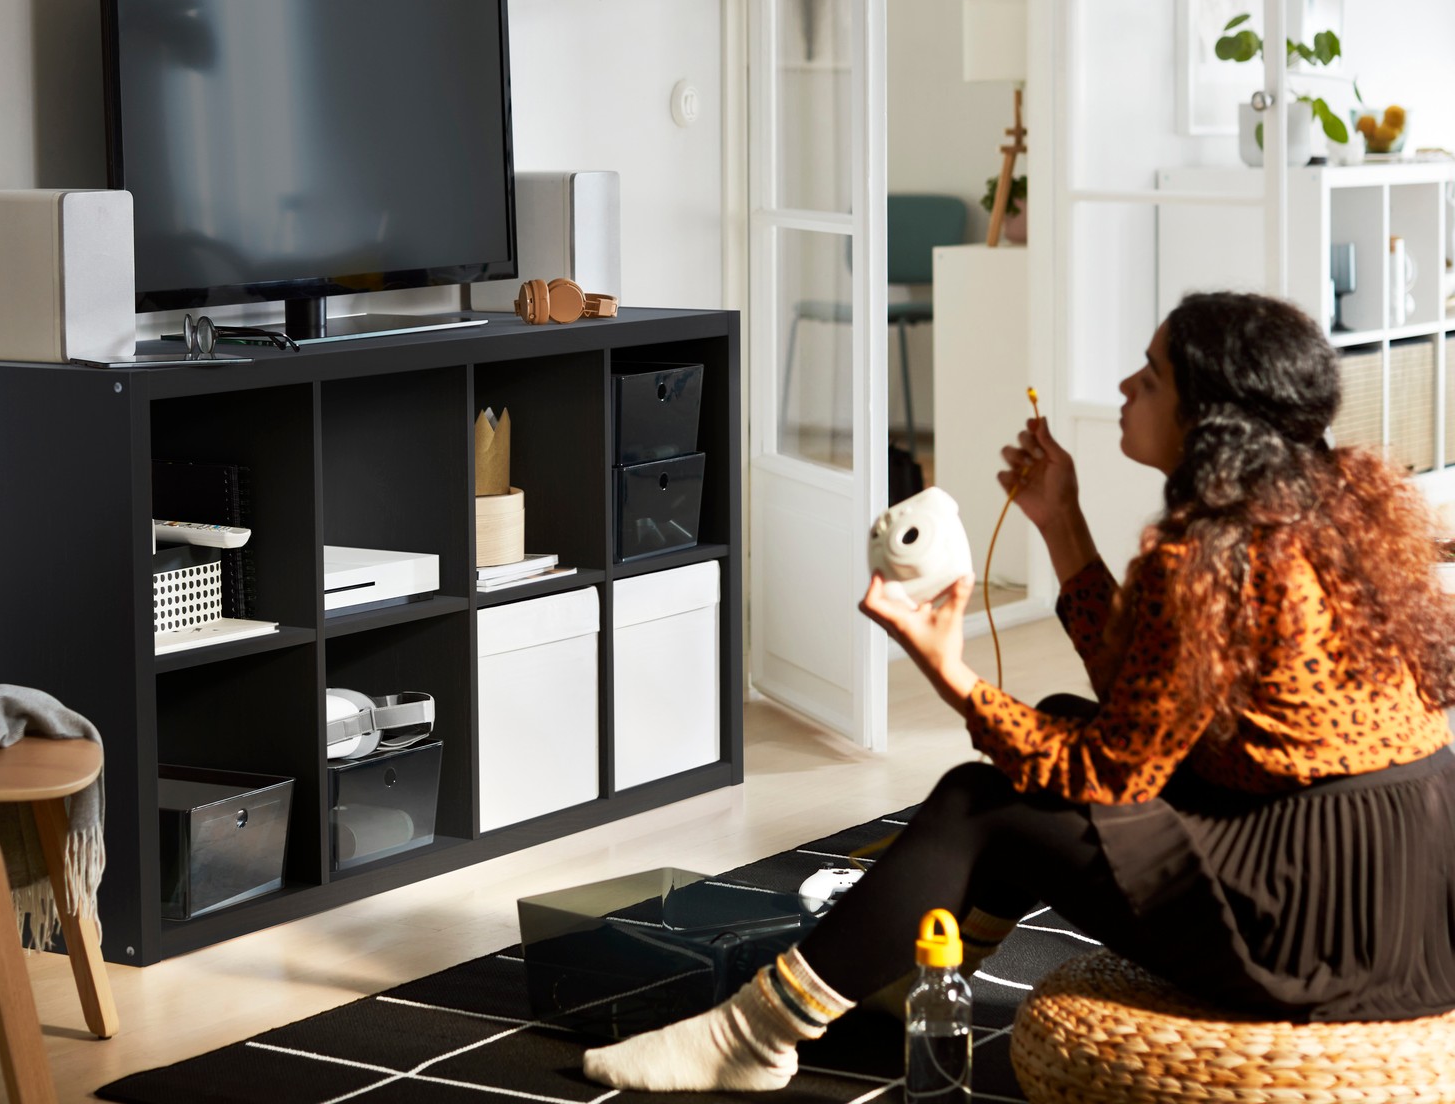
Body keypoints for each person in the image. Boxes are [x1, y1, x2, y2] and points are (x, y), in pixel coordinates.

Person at [584, 290, 1455, 1093]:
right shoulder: (1332, 511)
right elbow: (1139, 704)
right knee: (1061, 725)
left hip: (1314, 932)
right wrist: (1059, 517)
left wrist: (949, 673)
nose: (1124, 385)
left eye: (1149, 377)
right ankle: (916, 969)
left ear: (1210, 422)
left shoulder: (1206, 559)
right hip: (1406, 897)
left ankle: (754, 1036)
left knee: (981, 801)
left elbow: (1111, 776)